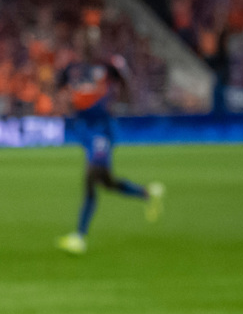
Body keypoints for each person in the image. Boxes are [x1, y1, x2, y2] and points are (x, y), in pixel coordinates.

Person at [55, 36, 164, 255]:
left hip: (101, 133)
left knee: (91, 180)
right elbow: (67, 92)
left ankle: (79, 236)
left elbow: (121, 83)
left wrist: (118, 96)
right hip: (88, 133)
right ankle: (146, 193)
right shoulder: (78, 71)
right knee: (106, 182)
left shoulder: (105, 72)